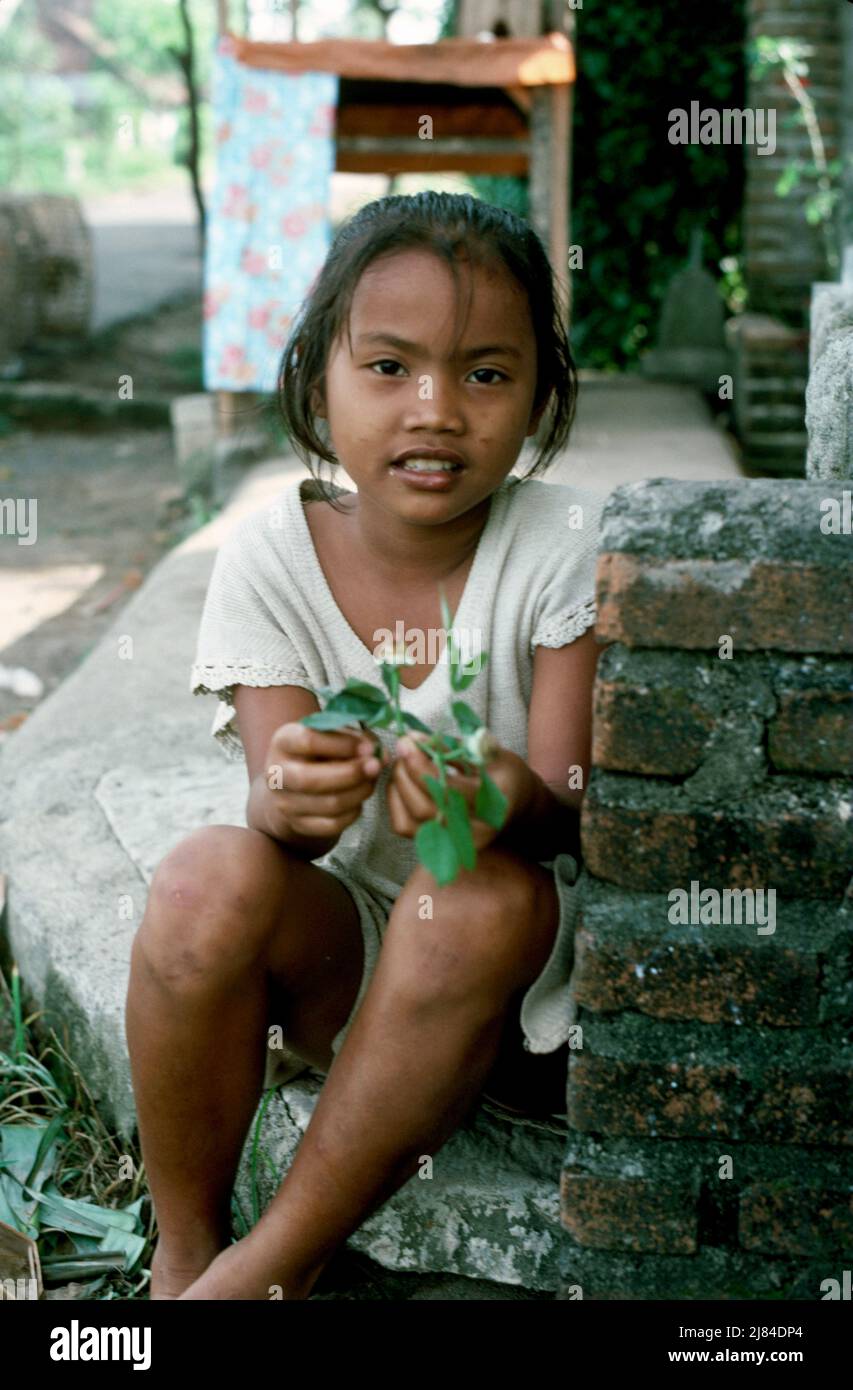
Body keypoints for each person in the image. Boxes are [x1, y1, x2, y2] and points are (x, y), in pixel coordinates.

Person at [125, 191, 605, 1300]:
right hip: (349, 969)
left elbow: (574, 819)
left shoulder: (560, 544)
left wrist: (510, 801)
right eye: (389, 367)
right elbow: (275, 814)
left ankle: (271, 1274)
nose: (436, 408)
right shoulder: (267, 557)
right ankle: (185, 1252)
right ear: (317, 379)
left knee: (477, 895)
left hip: (516, 1001)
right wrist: (291, 796)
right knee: (203, 878)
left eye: (486, 373)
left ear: (539, 392)